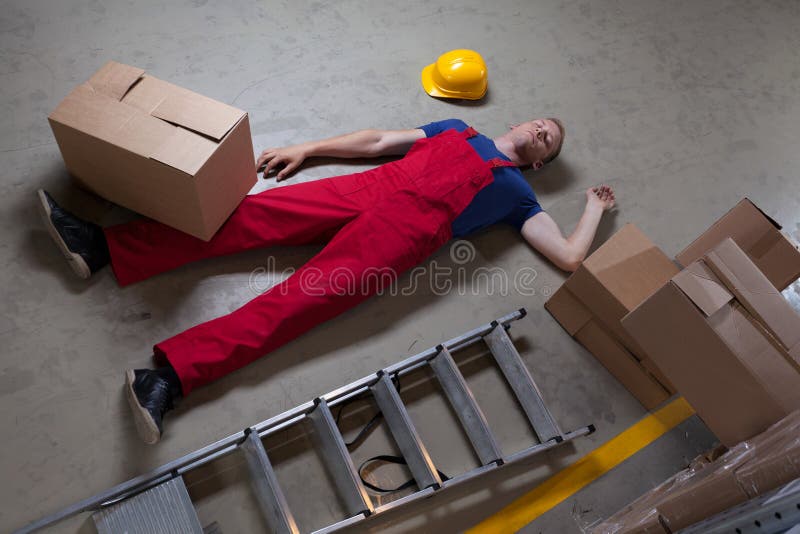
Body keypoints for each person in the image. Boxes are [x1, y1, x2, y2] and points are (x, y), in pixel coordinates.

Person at [37, 118, 615, 444]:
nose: (541, 130)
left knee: (297, 304)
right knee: (247, 218)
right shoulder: (458, 129)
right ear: (517, 122)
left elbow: (567, 256)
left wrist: (592, 209)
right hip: (367, 188)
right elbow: (380, 142)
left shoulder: (517, 195)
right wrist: (309, 148)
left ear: (538, 163)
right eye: (540, 123)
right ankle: (102, 246)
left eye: (549, 139)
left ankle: (168, 379)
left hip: (402, 237)